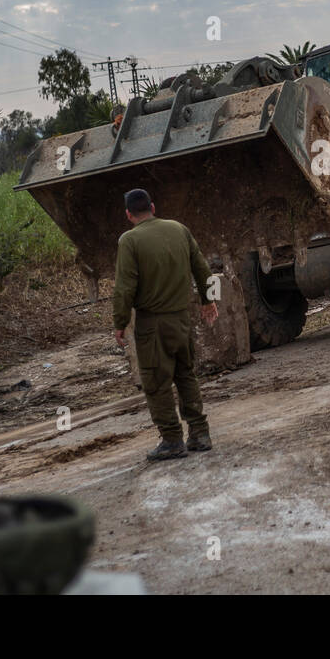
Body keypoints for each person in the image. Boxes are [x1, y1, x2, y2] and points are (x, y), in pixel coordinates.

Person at [113, 187, 220, 460]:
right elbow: (202, 269)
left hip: (153, 323)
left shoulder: (129, 241)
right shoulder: (179, 229)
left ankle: (172, 440)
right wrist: (209, 300)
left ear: (128, 214)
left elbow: (125, 287)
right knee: (186, 375)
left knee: (156, 382)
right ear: (153, 206)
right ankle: (200, 433)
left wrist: (120, 322)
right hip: (182, 318)